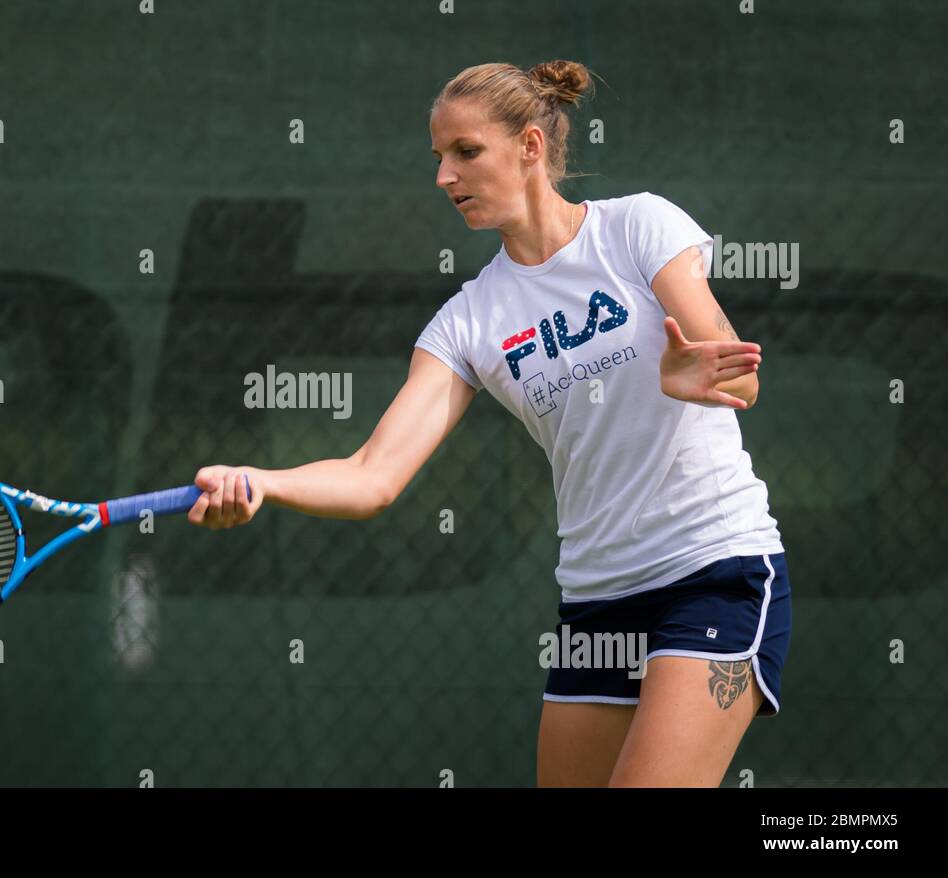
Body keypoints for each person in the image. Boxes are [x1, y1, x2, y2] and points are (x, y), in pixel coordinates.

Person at [187, 60, 790, 788]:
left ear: (531, 147)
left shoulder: (639, 228)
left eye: (465, 152)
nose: (445, 175)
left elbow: (743, 375)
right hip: (597, 601)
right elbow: (371, 476)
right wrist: (260, 481)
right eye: (438, 157)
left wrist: (698, 378)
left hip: (712, 571)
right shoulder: (469, 321)